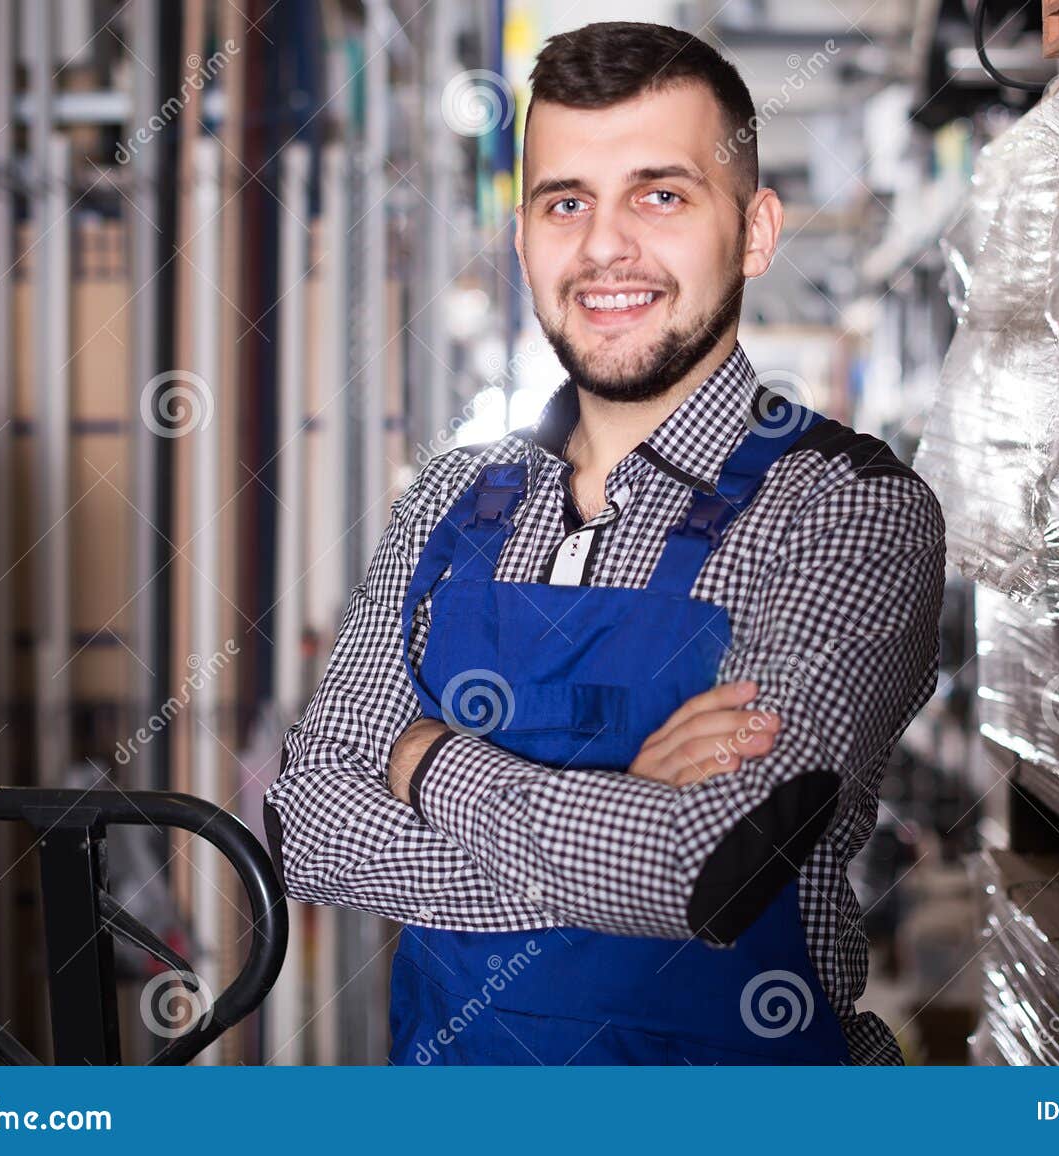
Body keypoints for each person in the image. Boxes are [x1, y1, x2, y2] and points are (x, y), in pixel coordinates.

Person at [263, 20, 945, 1066]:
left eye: (660, 195)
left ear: (755, 232)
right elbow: (308, 824)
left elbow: (701, 865)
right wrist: (623, 810)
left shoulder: (844, 508)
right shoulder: (454, 498)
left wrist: (425, 758)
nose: (603, 248)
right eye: (564, 201)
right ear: (525, 235)